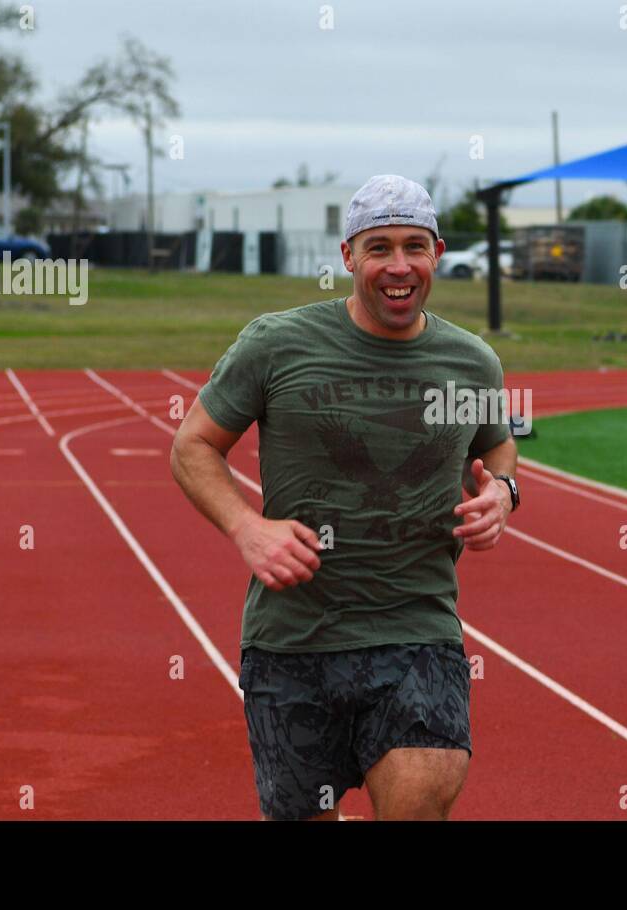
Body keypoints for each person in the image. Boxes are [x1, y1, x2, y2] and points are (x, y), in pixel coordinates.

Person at [170, 174, 520, 821]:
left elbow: (495, 446)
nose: (398, 266)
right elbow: (192, 446)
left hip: (417, 631)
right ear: (348, 258)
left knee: (418, 807)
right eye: (379, 248)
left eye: (414, 247)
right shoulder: (277, 344)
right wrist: (248, 529)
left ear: (437, 254)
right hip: (293, 639)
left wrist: (503, 491)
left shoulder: (471, 362)